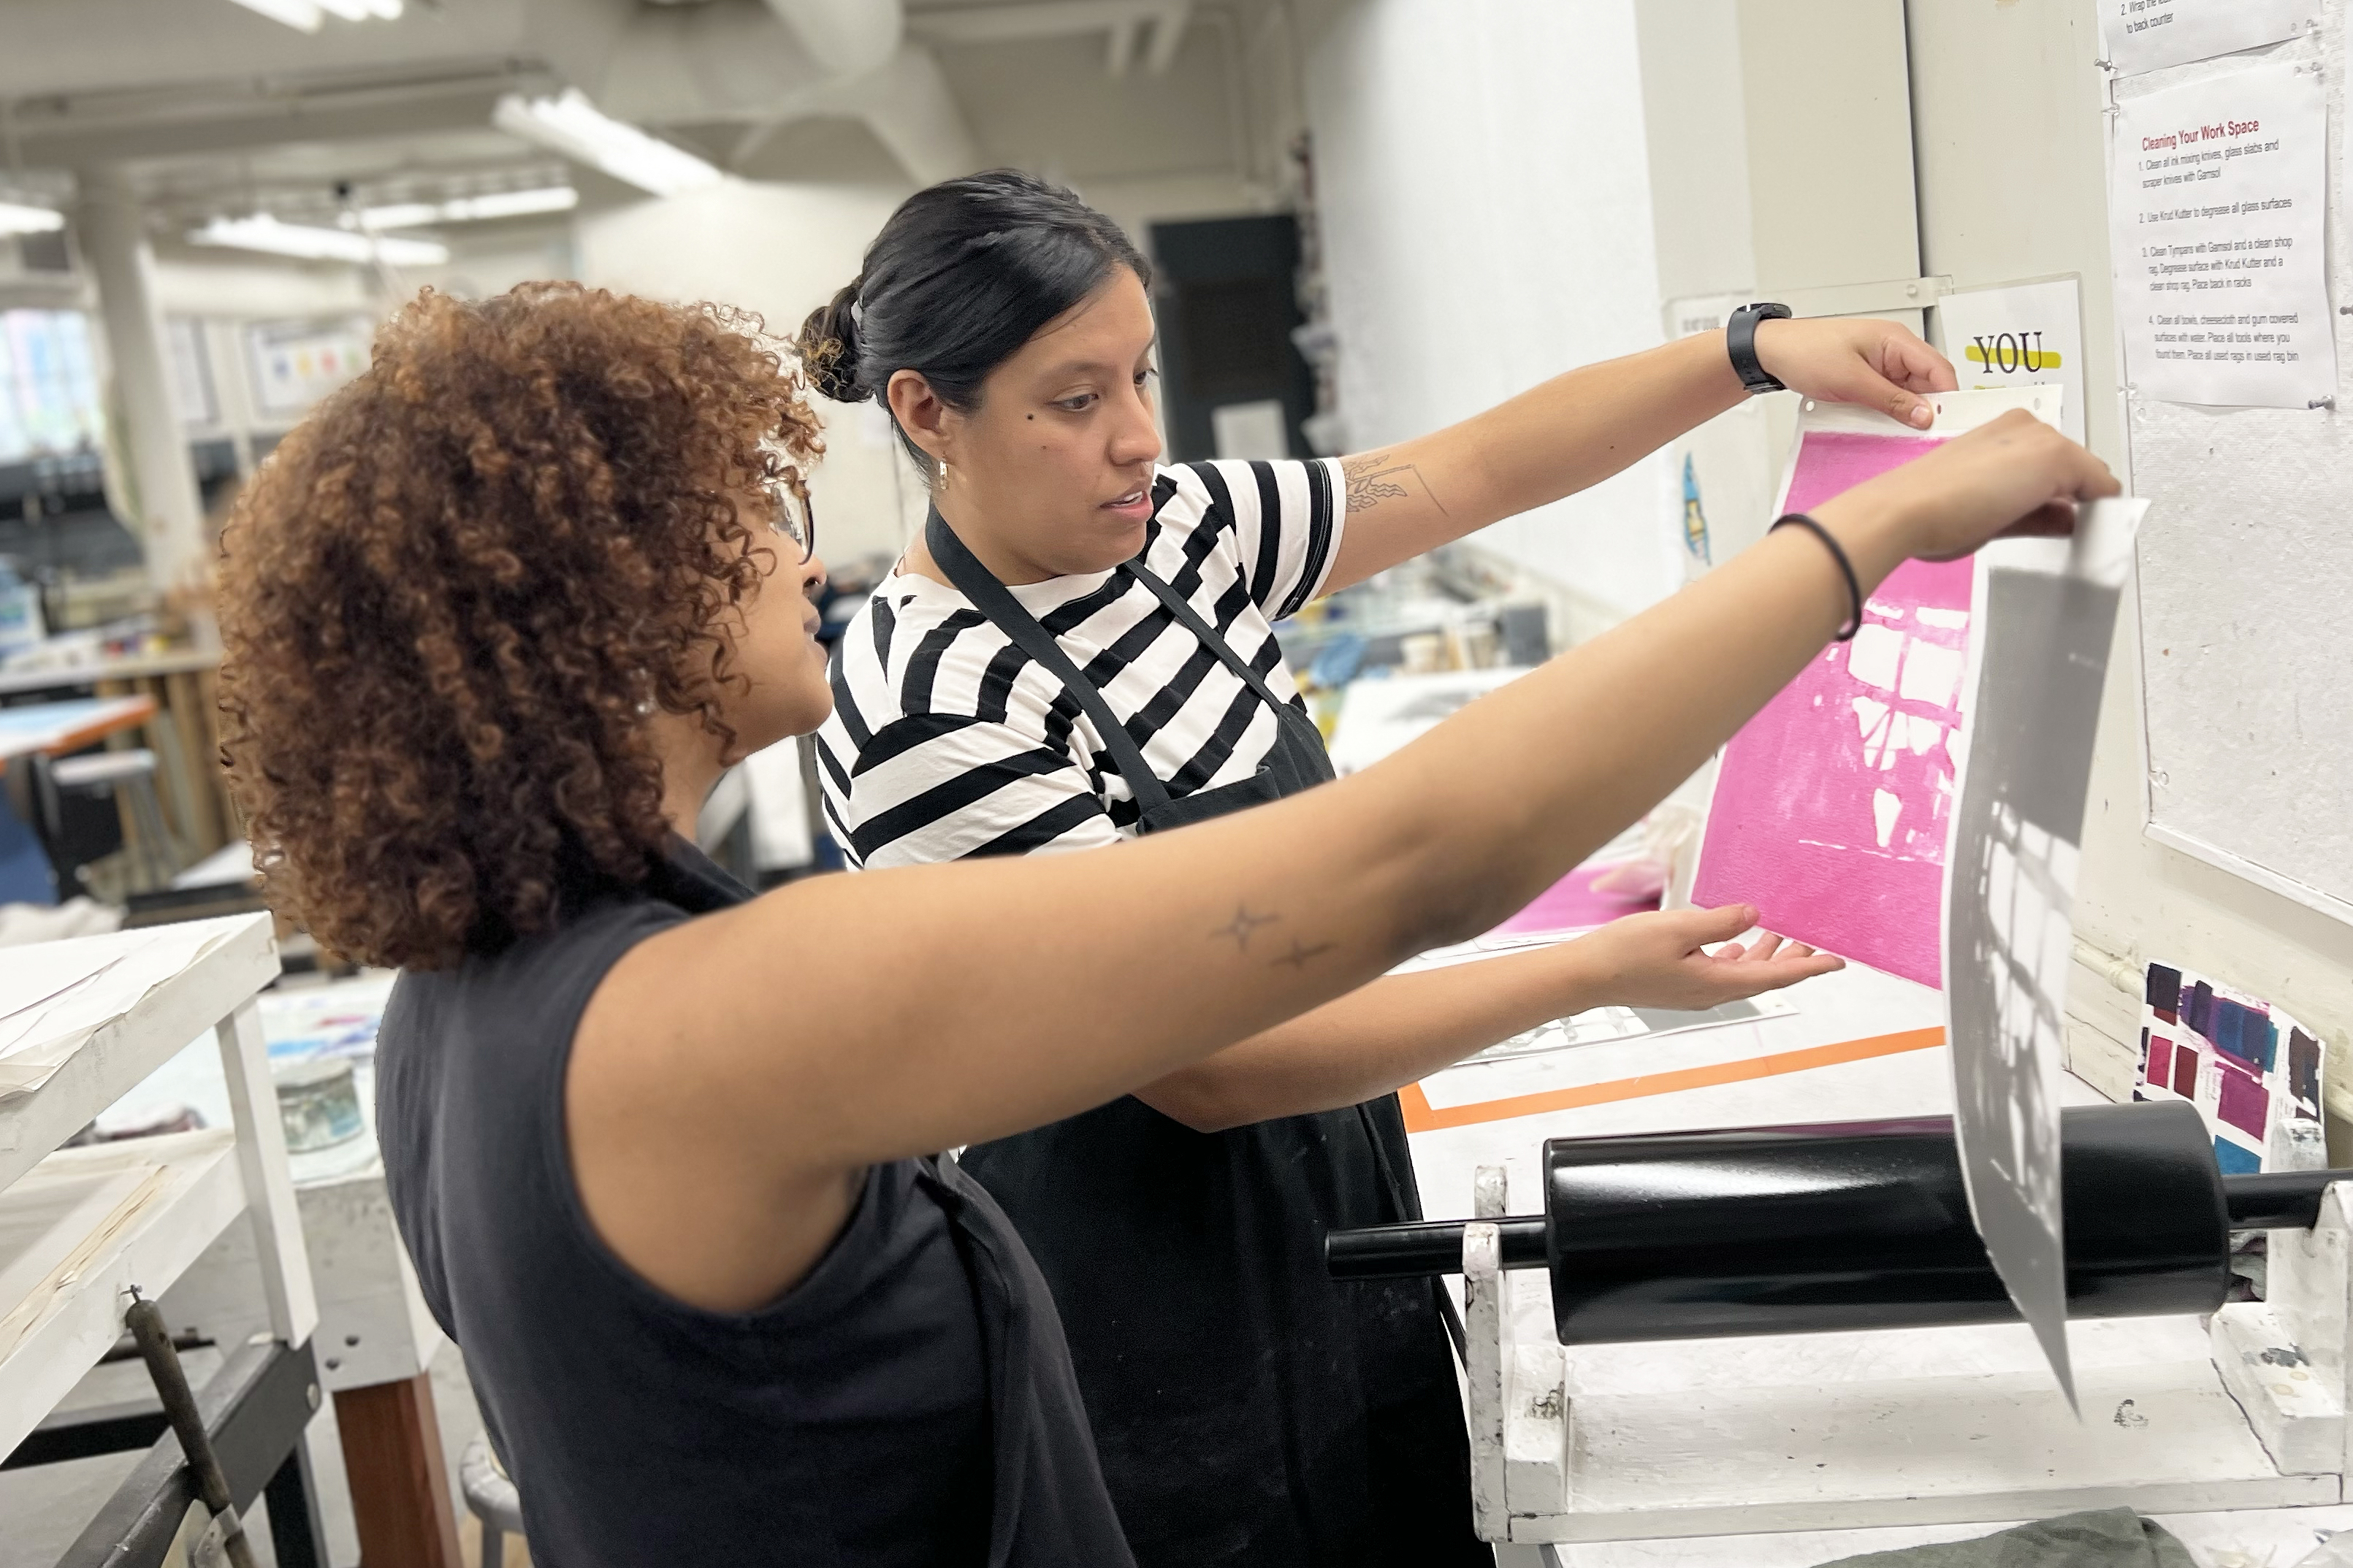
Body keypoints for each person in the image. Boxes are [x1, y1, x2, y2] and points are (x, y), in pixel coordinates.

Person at [216, 278, 2112, 1567]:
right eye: (740, 516)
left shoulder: (460, 1011)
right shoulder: (711, 1014)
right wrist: (1875, 532)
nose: (803, 553)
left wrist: (1747, 354)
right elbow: (1402, 861)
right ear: (595, 604)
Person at [804, 172, 1975, 1566]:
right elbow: (1206, 1064)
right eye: (1074, 401)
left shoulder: (1176, 535)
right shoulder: (930, 697)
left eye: (1142, 375)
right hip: (1145, 1312)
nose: (1137, 438)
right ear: (928, 412)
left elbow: (1474, 468)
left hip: (1332, 1215)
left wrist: (1749, 355)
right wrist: (1591, 970)